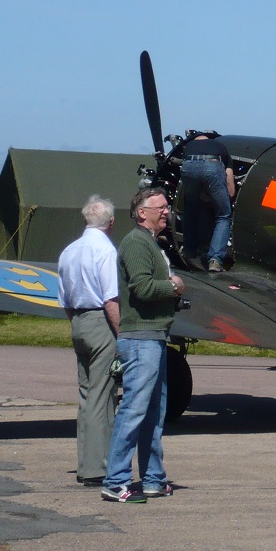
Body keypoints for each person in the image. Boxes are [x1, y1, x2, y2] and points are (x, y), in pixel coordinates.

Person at [102, 187, 185, 503]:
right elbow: (143, 289)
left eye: (166, 206)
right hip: (140, 340)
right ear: (141, 213)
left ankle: (153, 479)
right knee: (134, 410)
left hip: (153, 337)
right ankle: (115, 481)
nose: (166, 211)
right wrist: (173, 287)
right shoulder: (136, 243)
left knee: (153, 412)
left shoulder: (150, 242)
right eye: (159, 207)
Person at [57, 195, 121, 487]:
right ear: (111, 222)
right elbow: (110, 300)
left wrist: (77, 322)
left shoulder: (69, 251)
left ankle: (85, 463)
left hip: (78, 321)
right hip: (100, 321)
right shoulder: (105, 250)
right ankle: (98, 467)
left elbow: (65, 299)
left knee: (86, 396)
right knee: (102, 397)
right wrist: (122, 335)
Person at [179, 132, 235, 273]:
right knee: (223, 215)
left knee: (190, 210)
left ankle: (189, 251)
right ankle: (215, 259)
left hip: (188, 166)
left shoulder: (189, 147)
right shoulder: (220, 147)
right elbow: (231, 189)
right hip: (213, 166)